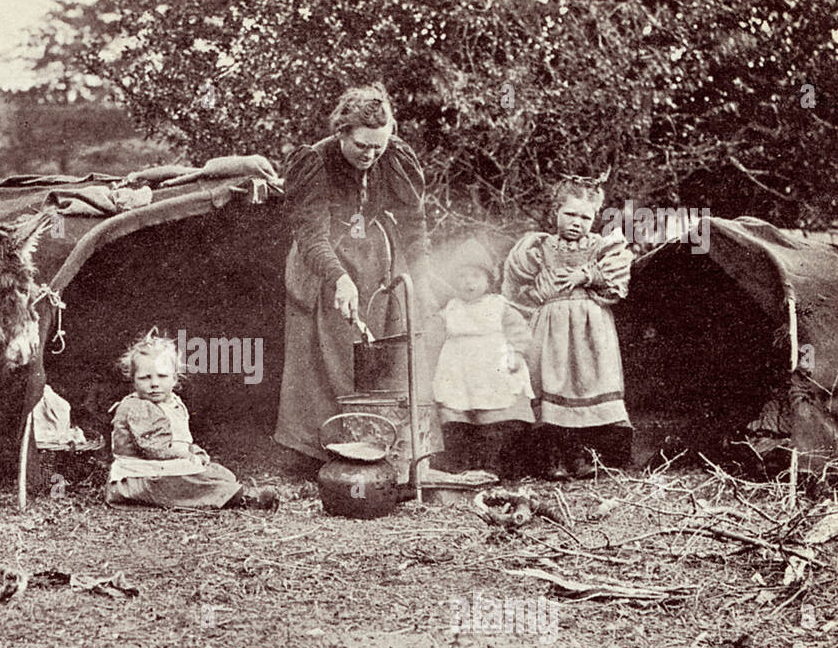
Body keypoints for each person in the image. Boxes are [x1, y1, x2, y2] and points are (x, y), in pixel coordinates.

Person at [274, 83, 441, 469]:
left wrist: (423, 276)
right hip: (324, 265)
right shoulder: (314, 161)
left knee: (382, 352)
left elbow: (415, 223)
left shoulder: (394, 157)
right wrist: (339, 279)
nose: (370, 155)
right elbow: (311, 235)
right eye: (361, 146)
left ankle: (384, 444)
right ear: (341, 132)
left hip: (377, 264)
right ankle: (317, 453)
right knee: (324, 356)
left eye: (377, 147)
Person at [501, 175, 633, 479]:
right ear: (556, 211)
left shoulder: (601, 247)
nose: (577, 222)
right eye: (570, 214)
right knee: (553, 383)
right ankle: (553, 456)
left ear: (595, 218)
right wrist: (538, 292)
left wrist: (588, 275)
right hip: (551, 328)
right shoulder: (539, 247)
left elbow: (617, 278)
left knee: (585, 381)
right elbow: (515, 289)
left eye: (585, 217)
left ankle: (581, 454)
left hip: (590, 328)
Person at [106, 330, 279, 510]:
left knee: (219, 474)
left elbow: (179, 439)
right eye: (145, 378)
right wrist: (188, 455)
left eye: (162, 376)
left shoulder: (172, 402)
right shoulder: (139, 407)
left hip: (165, 466)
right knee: (188, 484)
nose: (154, 384)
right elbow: (155, 449)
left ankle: (228, 490)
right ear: (133, 380)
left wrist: (194, 450)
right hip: (142, 476)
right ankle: (245, 499)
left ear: (174, 378)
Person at [433, 242, 534, 476]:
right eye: (462, 276)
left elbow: (519, 330)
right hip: (458, 370)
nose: (469, 283)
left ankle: (497, 463)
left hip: (493, 368)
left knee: (498, 414)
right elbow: (435, 333)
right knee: (457, 412)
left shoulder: (498, 305)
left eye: (476, 276)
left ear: (489, 280)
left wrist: (516, 353)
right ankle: (462, 461)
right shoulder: (451, 308)